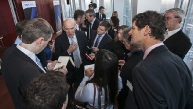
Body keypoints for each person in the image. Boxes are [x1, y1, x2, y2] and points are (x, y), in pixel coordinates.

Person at [124, 10, 192, 109]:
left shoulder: (143, 69)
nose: (130, 32)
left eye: (133, 28)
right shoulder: (178, 60)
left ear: (146, 30)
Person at [1, 18, 68, 109]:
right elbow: (48, 101)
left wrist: (47, 69)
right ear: (40, 41)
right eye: (48, 41)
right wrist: (60, 76)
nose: (48, 44)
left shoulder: (9, 51)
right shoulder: (30, 73)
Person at [54, 18, 90, 106]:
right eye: (67, 29)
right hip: (68, 70)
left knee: (82, 86)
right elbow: (57, 57)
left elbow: (85, 49)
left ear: (76, 27)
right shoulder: (59, 39)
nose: (70, 31)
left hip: (81, 67)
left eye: (72, 28)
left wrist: (90, 54)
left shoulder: (82, 35)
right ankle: (70, 105)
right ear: (63, 28)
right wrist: (68, 51)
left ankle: (83, 104)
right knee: (68, 89)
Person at [117, 27, 143, 109]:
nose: (123, 43)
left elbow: (123, 87)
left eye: (124, 42)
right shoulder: (142, 53)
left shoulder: (130, 65)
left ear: (131, 42)